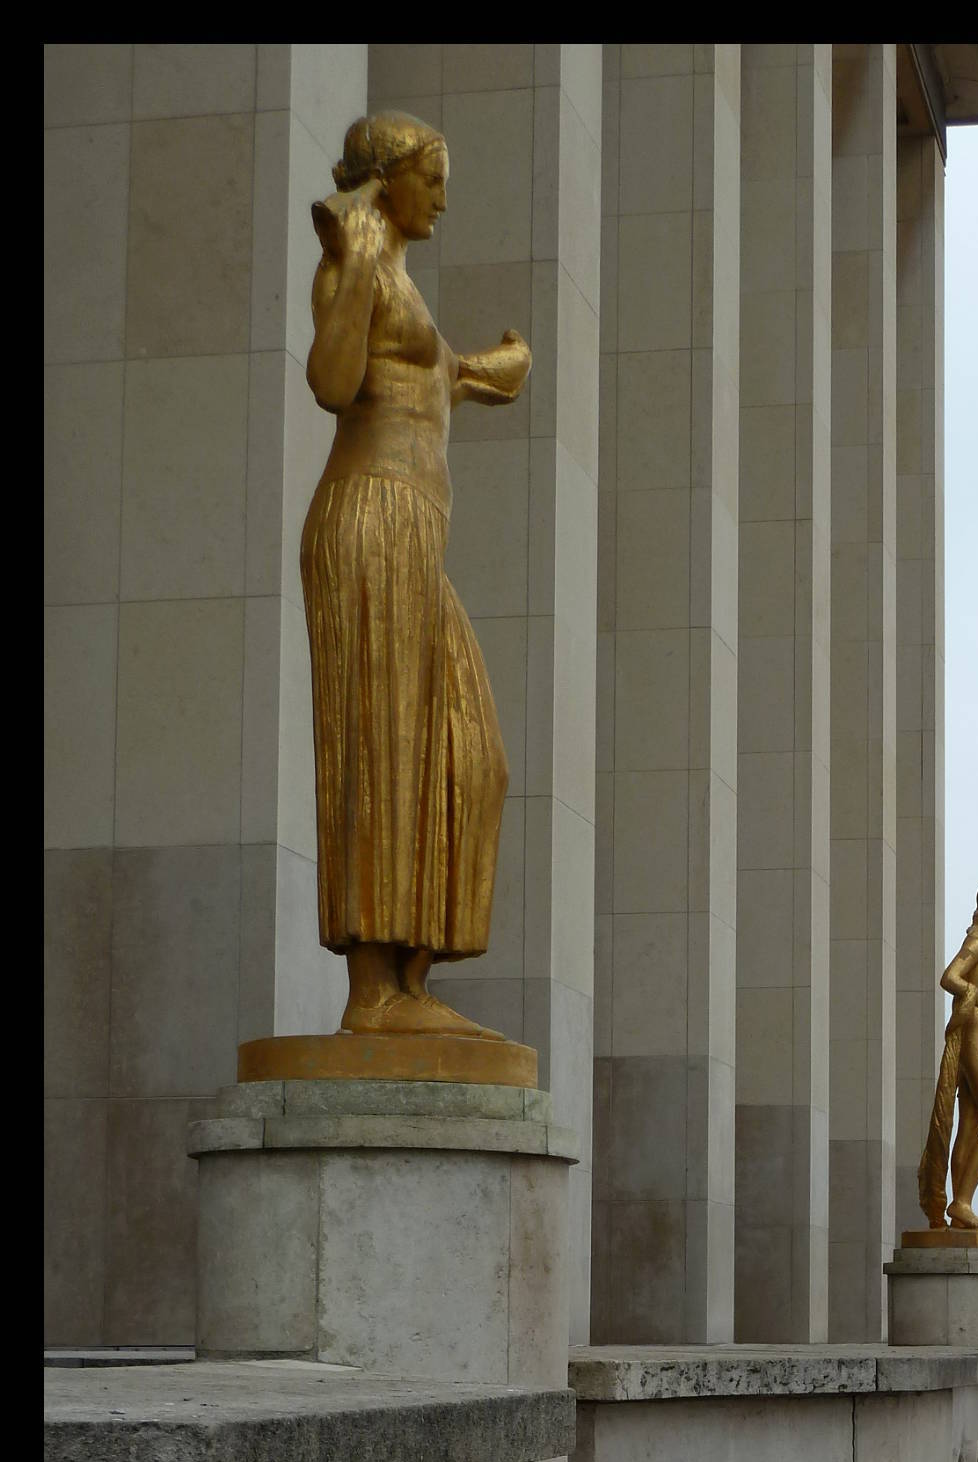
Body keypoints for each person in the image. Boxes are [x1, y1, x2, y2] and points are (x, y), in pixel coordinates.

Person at [302, 111, 531, 1037]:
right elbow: (331, 379)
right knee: (382, 742)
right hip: (369, 518)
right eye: (431, 175)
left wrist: (488, 371)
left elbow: (437, 380)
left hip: (415, 535)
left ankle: (411, 976)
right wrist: (354, 257)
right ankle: (373, 992)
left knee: (470, 760)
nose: (442, 194)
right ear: (386, 179)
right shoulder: (353, 267)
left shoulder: (404, 288)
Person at [919, 884, 978, 1231]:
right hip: (976, 1040)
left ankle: (962, 1208)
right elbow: (950, 978)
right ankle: (962, 1202)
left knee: (971, 1124)